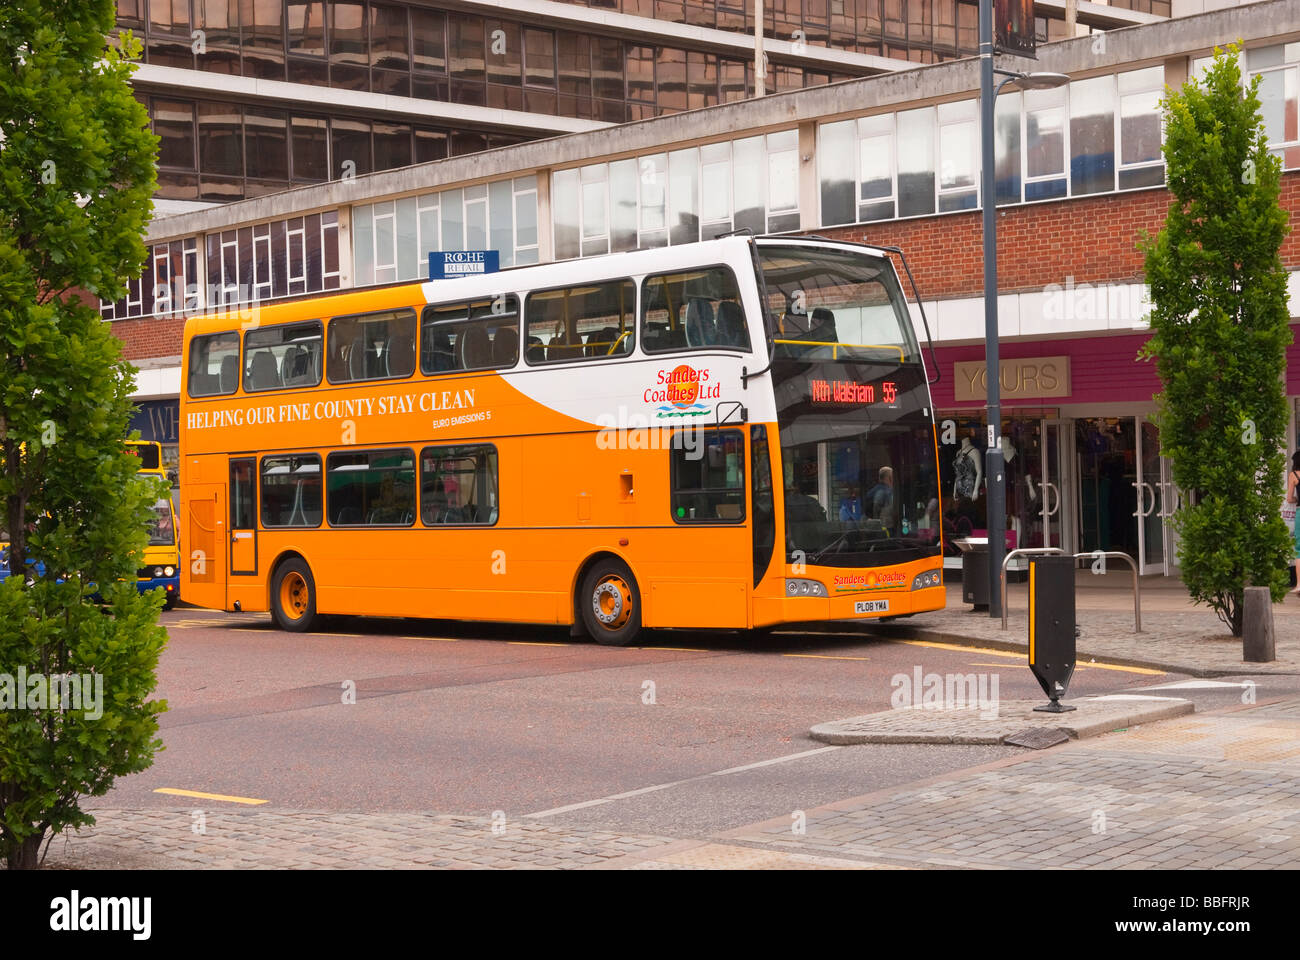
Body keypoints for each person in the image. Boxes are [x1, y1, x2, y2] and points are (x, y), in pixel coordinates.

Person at [864, 466, 896, 532]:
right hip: (887, 529)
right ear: (890, 478)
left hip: (873, 530)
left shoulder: (870, 493)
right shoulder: (889, 492)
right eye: (893, 477)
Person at [1287, 452, 1300, 595]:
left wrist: (1297, 499)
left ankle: (1299, 584)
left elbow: (1289, 498)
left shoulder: (1294, 475)